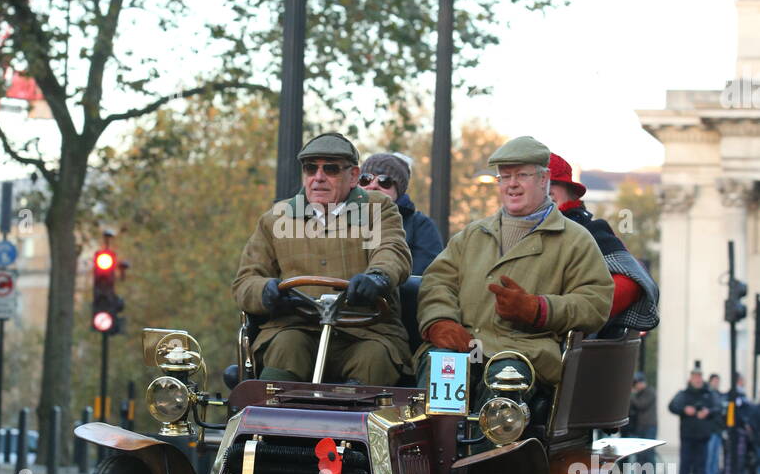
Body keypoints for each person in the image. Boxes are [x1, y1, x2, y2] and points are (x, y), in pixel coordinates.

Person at [416, 135, 614, 387]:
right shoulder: (472, 234)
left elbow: (595, 304)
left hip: (525, 353)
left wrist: (538, 309)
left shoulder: (575, 239)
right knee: (437, 383)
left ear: (544, 179)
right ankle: (439, 428)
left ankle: (483, 428)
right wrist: (440, 321)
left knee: (503, 391)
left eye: (522, 175)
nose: (512, 185)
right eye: (505, 177)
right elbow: (437, 282)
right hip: (463, 348)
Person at [231, 132, 412, 384]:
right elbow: (246, 281)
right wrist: (266, 291)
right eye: (310, 168)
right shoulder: (277, 218)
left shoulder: (377, 208)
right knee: (284, 348)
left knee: (375, 358)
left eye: (330, 169)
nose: (318, 178)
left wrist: (377, 278)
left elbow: (392, 250)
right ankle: (272, 419)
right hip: (296, 327)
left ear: (353, 176)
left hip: (367, 330)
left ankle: (359, 420)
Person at [547, 153, 660, 335]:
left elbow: (634, 281)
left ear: (571, 192)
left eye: (551, 183)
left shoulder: (591, 232)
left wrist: (576, 314)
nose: (545, 191)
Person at [359, 152, 443, 273]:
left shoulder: (421, 226)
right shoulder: (338, 219)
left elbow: (425, 277)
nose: (373, 186)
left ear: (399, 190)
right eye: (365, 179)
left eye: (384, 181)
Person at [668, 366, 716, 474]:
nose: (698, 379)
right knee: (686, 461)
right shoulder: (683, 394)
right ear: (691, 378)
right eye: (695, 376)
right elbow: (672, 406)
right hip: (687, 434)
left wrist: (708, 412)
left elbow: (717, 408)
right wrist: (684, 410)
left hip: (703, 434)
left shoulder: (708, 394)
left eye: (699, 376)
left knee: (701, 462)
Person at [705, 372, 726, 474]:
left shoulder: (719, 394)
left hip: (718, 428)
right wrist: (717, 409)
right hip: (711, 428)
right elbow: (710, 409)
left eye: (718, 381)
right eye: (715, 381)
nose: (717, 383)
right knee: (709, 455)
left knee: (716, 456)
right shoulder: (708, 394)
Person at [628, 372, 657, 437]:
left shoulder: (650, 392)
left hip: (649, 426)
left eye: (636, 383)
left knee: (649, 446)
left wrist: (632, 395)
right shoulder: (639, 393)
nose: (635, 386)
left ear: (642, 382)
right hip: (639, 425)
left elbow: (641, 405)